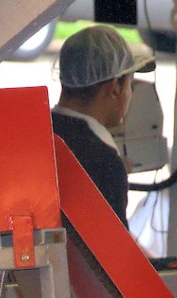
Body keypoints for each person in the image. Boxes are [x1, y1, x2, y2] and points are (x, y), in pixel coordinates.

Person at [52, 25, 154, 226]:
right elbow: (113, 252)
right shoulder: (104, 162)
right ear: (115, 87)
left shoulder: (36, 132)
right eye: (130, 84)